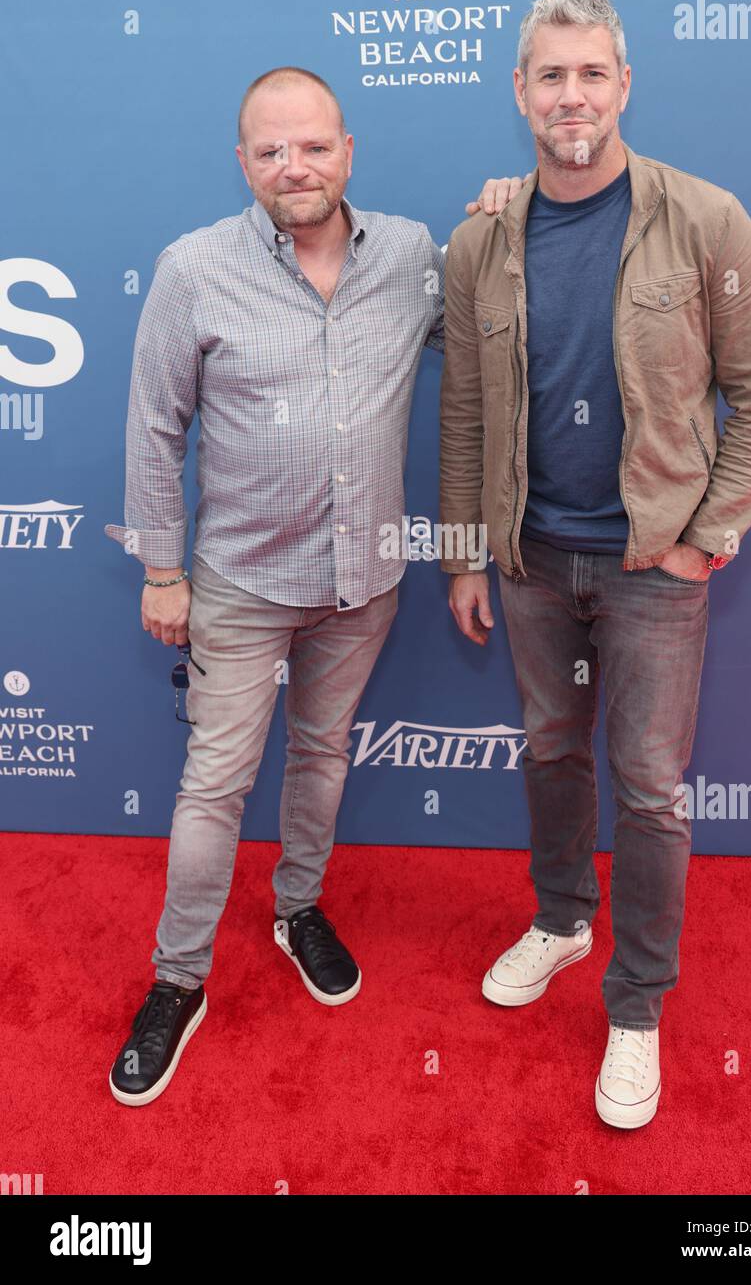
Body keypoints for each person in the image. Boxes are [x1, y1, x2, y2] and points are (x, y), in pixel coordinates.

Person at [104, 66, 522, 1106]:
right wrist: (163, 568)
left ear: (348, 150)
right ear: (241, 161)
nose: (294, 166)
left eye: (313, 146)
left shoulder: (411, 258)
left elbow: (475, 341)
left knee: (324, 755)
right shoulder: (193, 269)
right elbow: (154, 426)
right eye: (270, 149)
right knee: (213, 786)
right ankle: (178, 978)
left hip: (365, 581)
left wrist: (498, 230)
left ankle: (296, 908)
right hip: (238, 584)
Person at [439, 0, 751, 1129]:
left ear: (623, 84)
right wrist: (462, 555)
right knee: (549, 749)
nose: (571, 94)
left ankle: (634, 1005)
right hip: (532, 561)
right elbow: (462, 414)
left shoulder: (704, 219)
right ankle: (559, 916)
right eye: (551, 75)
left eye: (591, 73)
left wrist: (705, 540)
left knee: (645, 788)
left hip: (653, 570)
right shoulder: (481, 235)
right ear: (519, 93)